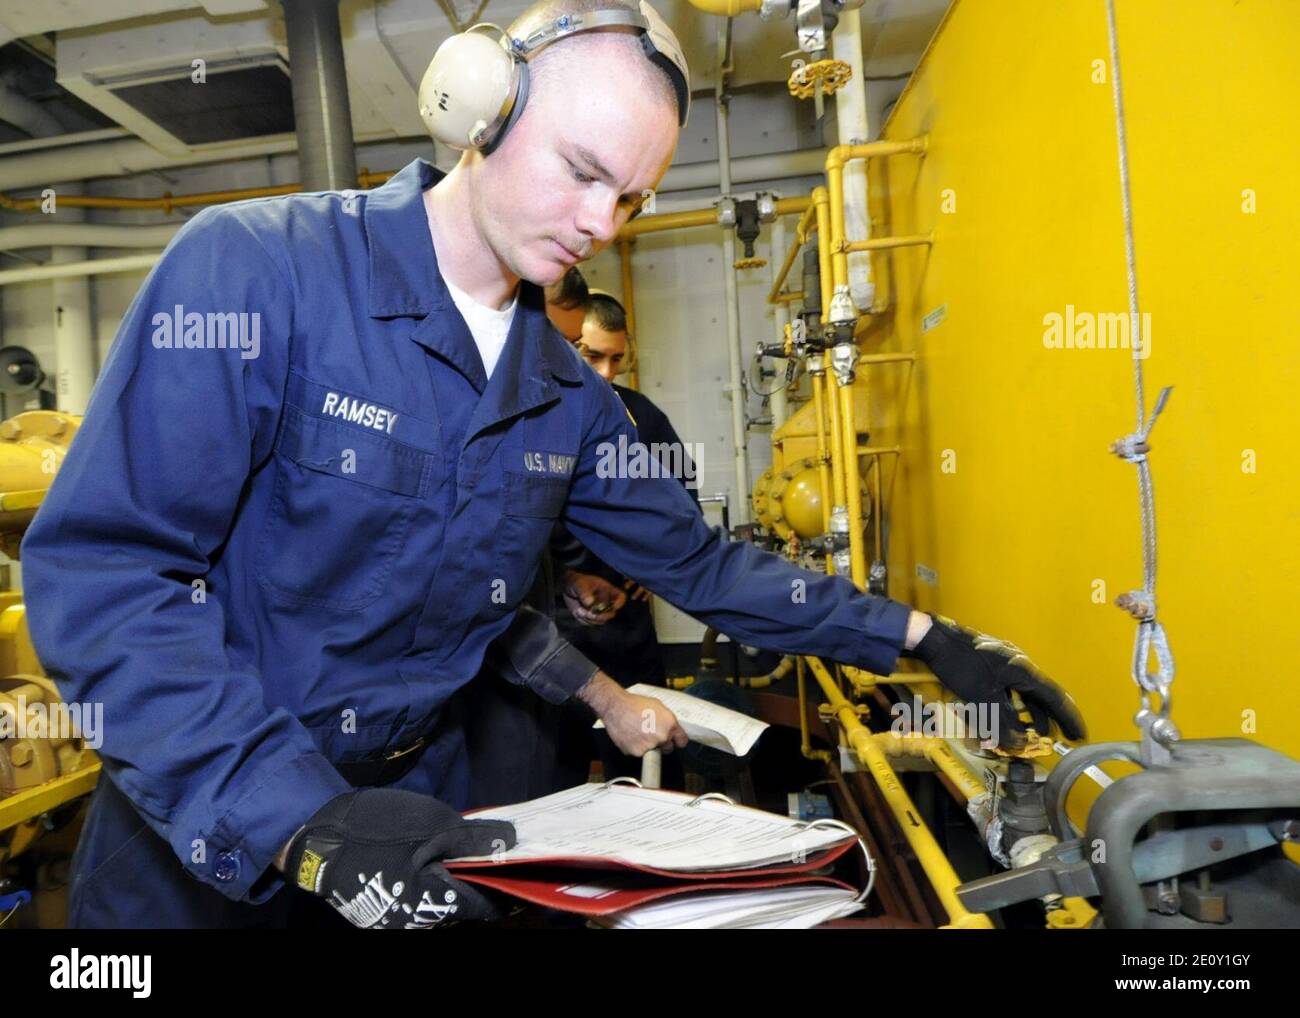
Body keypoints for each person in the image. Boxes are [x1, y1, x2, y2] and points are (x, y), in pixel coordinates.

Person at [20, 0, 1083, 930]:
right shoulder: (259, 271)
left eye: (627, 200)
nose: (595, 225)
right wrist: (299, 820)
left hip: (421, 830)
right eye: (581, 170)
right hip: (202, 836)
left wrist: (922, 635)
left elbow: (704, 567)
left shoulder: (569, 400)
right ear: (478, 114)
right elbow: (111, 577)